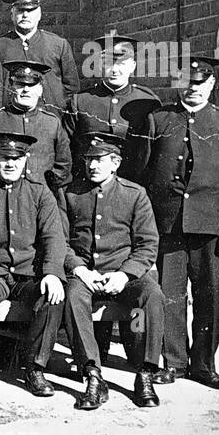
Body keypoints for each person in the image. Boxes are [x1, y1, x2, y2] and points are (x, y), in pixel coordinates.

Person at [136, 56, 219, 390]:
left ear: (212, 85)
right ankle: (173, 363)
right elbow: (143, 175)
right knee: (169, 295)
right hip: (167, 225)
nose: (192, 90)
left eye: (199, 84)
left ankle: (204, 365)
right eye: (186, 83)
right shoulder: (158, 120)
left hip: (210, 227)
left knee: (207, 296)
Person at [61, 132, 163, 410]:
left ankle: (145, 373)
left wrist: (125, 275)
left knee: (152, 294)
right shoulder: (70, 194)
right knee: (72, 296)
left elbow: (147, 244)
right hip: (85, 273)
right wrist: (80, 270)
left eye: (100, 160)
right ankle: (92, 375)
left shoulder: (134, 194)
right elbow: (59, 241)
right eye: (89, 160)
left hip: (124, 274)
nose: (92, 166)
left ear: (115, 163)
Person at [0, 131, 66, 398]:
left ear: (25, 160)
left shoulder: (39, 193)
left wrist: (52, 273)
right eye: (4, 157)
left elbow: (53, 237)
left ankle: (35, 367)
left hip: (28, 273)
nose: (10, 164)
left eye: (16, 158)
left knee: (53, 296)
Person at [66, 33, 161, 182]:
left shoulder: (147, 101)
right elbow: (67, 148)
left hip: (134, 186)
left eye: (122, 63)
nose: (115, 70)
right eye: (109, 63)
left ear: (133, 66)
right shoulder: (81, 101)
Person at [0, 60, 71, 192]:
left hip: (40, 200)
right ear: (10, 88)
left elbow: (64, 165)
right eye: (20, 84)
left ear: (40, 90)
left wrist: (45, 190)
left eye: (32, 85)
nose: (26, 90)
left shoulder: (52, 123)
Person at [0, 0, 80, 117]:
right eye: (20, 11)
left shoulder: (57, 44)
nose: (25, 15)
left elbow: (71, 88)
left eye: (30, 11)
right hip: (11, 121)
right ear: (12, 15)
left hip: (50, 122)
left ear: (39, 15)